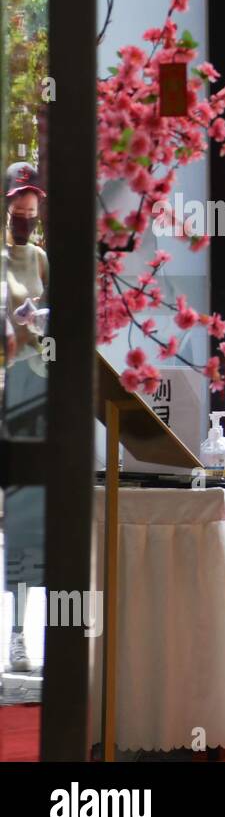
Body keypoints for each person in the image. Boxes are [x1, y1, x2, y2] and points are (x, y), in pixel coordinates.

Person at [3, 162, 49, 674]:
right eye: (18, 205)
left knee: (28, 518)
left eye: (30, 208)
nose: (25, 214)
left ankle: (20, 631)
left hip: (33, 391)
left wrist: (39, 321)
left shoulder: (40, 259)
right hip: (7, 390)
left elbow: (62, 325)